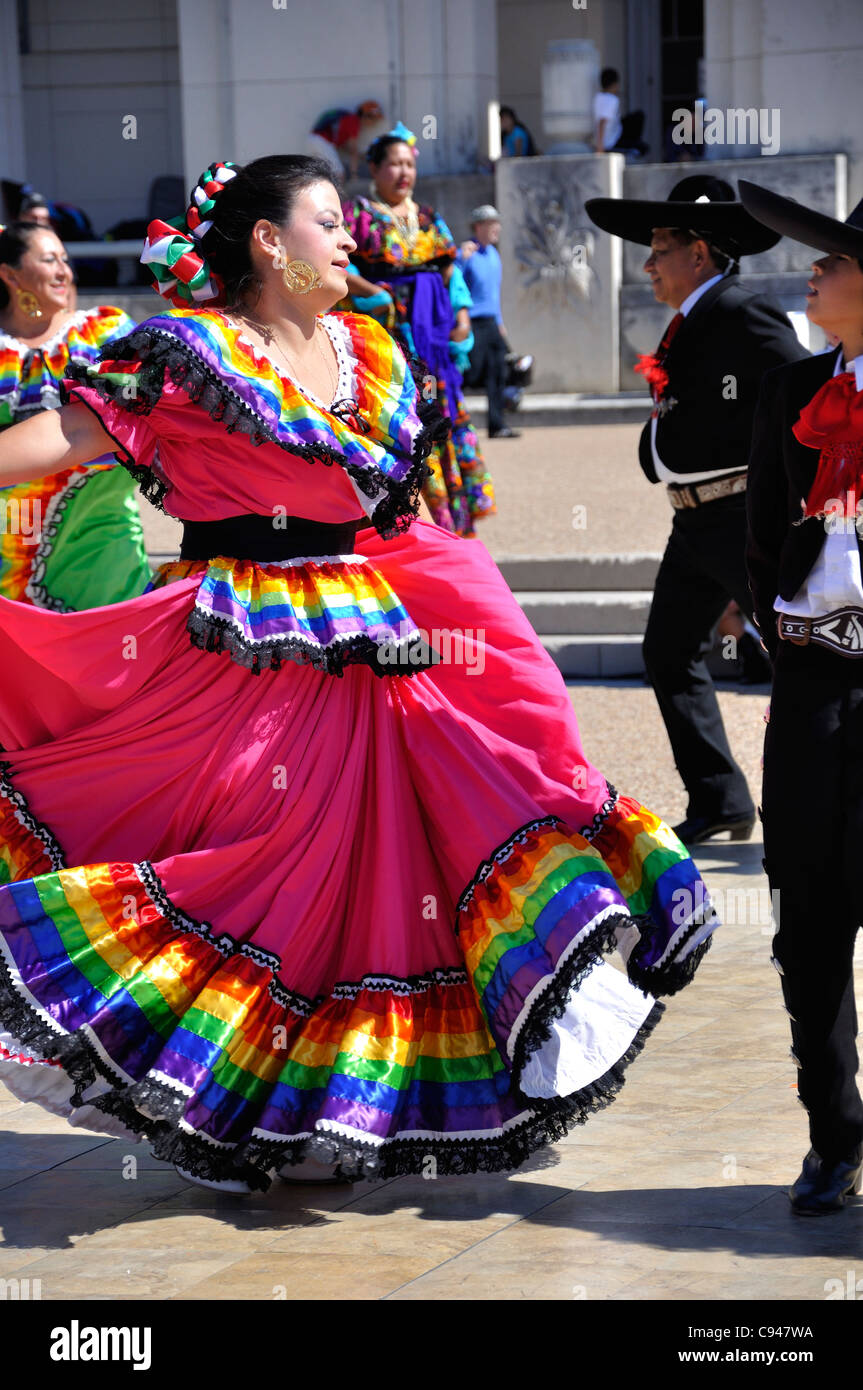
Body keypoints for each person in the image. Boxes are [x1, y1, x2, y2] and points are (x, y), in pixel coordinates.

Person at [0, 154, 717, 1195]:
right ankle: (252, 1101)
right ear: (263, 241)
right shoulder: (191, 352)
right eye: (327, 219)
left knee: (392, 877)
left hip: (375, 640)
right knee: (268, 872)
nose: (347, 237)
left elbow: (405, 518)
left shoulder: (371, 353)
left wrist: (470, 626)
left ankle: (329, 1111)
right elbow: (62, 437)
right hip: (245, 653)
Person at [585, 176, 807, 847]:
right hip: (695, 522)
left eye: (659, 247)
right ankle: (720, 798)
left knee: (803, 657)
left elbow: (802, 393)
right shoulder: (693, 318)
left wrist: (785, 496)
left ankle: (817, 805)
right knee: (667, 649)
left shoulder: (740, 311)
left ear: (700, 253)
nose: (647, 263)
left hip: (740, 517)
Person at [741, 178, 863, 1215]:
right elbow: (756, 541)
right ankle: (832, 1130)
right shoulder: (789, 392)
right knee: (805, 916)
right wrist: (784, 636)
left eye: (829, 259)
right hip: (813, 682)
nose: (810, 271)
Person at [342, 128, 495, 534]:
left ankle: (450, 520)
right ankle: (407, 517)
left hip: (433, 335)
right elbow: (338, 263)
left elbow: (449, 271)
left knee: (436, 409)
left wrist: (462, 317)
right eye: (394, 163)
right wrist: (370, 290)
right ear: (374, 168)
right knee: (399, 414)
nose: (403, 171)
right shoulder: (356, 214)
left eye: (409, 163)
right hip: (386, 333)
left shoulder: (429, 217)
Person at [0, 220, 150, 609]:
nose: (64, 270)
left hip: (102, 542)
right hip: (10, 548)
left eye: (65, 259)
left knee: (111, 654)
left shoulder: (103, 332)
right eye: (50, 259)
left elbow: (142, 414)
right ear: (9, 274)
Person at [459, 204, 519, 440]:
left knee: (499, 373)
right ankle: (454, 424)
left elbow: (493, 294)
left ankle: (497, 425)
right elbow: (454, 287)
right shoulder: (466, 254)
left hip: (492, 323)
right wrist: (460, 261)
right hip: (472, 324)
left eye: (498, 223)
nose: (497, 228)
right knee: (467, 375)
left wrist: (500, 323)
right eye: (492, 223)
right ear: (478, 226)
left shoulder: (494, 255)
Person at [308, 100, 384, 179]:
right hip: (322, 140)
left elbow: (347, 148)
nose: (375, 122)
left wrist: (360, 156)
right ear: (366, 116)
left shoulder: (348, 119)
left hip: (313, 140)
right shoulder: (354, 122)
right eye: (375, 119)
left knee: (320, 175)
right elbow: (353, 152)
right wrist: (354, 174)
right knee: (339, 174)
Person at [593, 68, 648, 159]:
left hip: (609, 137)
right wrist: (600, 147)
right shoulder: (612, 99)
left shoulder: (598, 97)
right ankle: (634, 149)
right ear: (615, 84)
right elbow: (602, 122)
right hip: (612, 141)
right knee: (639, 117)